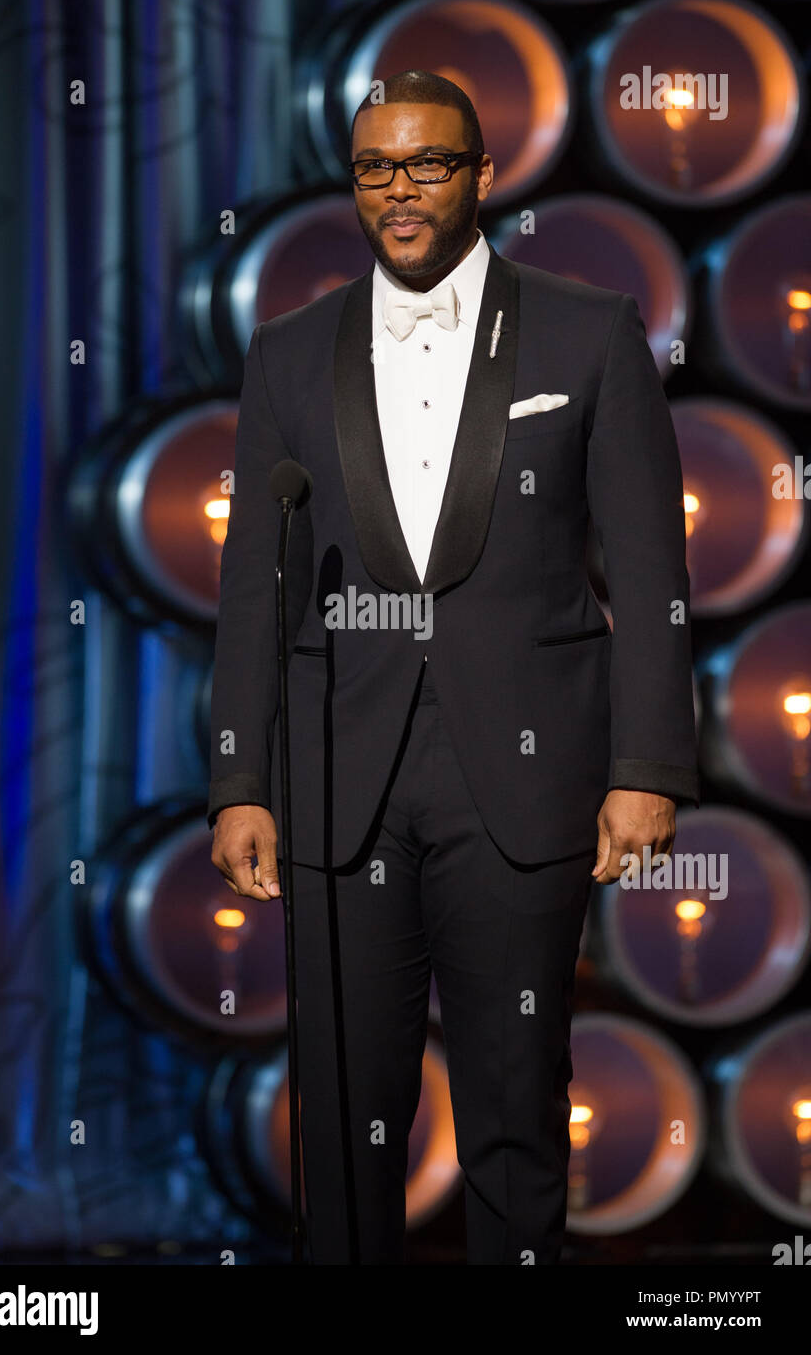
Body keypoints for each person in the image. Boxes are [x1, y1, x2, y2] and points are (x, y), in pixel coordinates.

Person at [207, 70, 699, 1265]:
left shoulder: (588, 330)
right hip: (336, 778)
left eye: (428, 163)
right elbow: (251, 590)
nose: (400, 190)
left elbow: (649, 569)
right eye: (377, 168)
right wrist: (241, 781)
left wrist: (648, 765)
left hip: (526, 781)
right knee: (342, 1118)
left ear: (483, 176)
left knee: (517, 1108)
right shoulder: (286, 351)